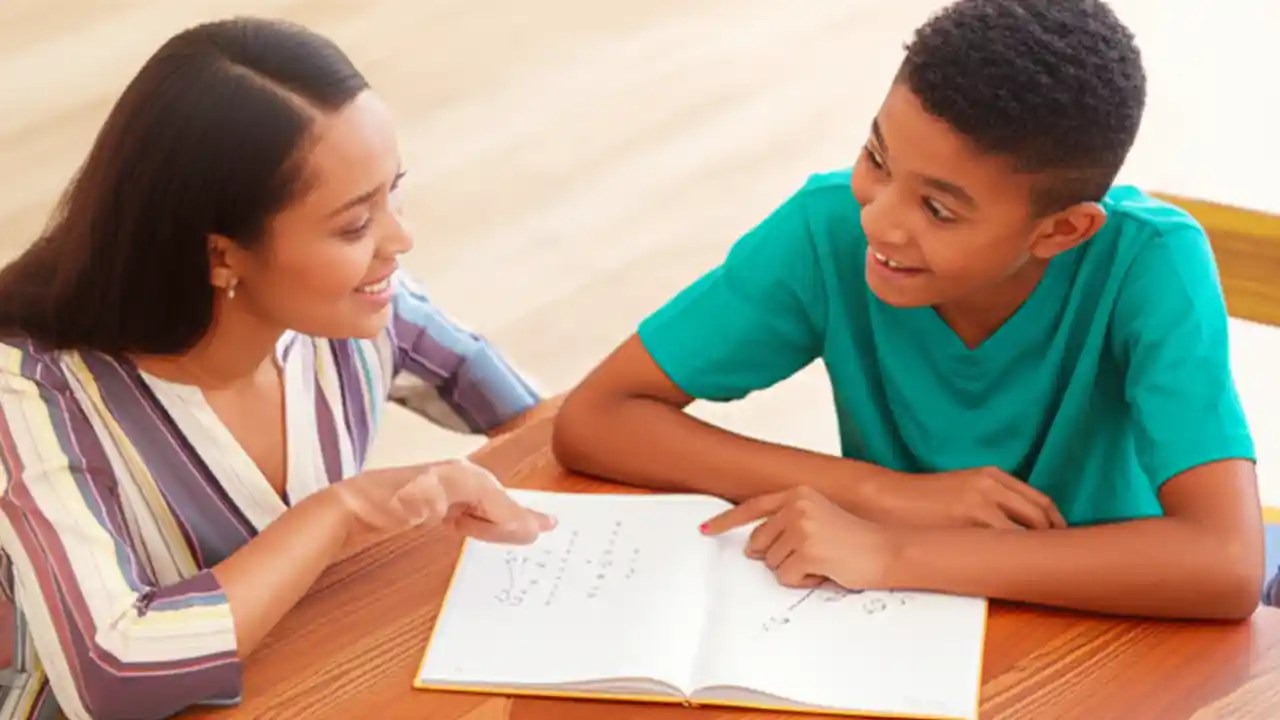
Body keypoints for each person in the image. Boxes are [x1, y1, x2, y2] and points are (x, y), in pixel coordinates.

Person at [553, 0, 1268, 620]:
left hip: (1110, 632)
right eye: (877, 157)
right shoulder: (826, 228)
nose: (880, 221)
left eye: (937, 209)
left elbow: (1228, 563)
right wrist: (888, 494)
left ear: (1061, 231)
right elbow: (597, 418)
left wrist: (893, 550)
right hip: (896, 627)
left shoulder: (1152, 263)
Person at [0, 18, 556, 720]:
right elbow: (113, 674)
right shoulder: (34, 394)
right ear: (221, 255)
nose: (400, 238)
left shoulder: (350, 314)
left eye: (394, 192)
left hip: (302, 678)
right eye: (355, 225)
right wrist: (340, 515)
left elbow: (536, 421)